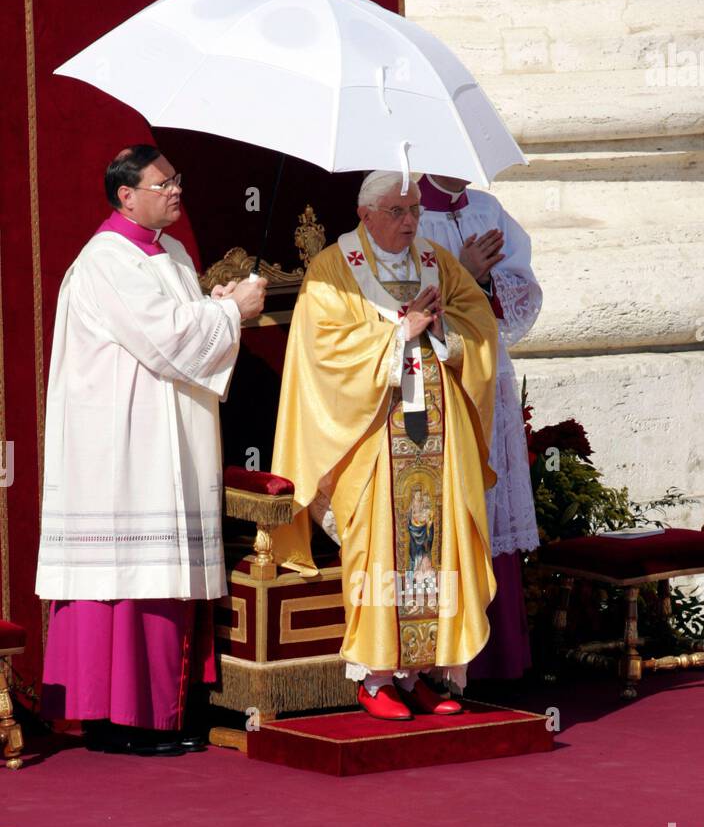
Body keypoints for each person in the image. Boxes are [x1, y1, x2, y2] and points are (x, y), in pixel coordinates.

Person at [35, 145, 267, 755]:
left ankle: (165, 711)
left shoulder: (173, 252)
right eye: (162, 183)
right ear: (125, 196)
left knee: (163, 576)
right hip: (122, 441)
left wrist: (216, 308)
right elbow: (165, 337)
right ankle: (117, 722)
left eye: (176, 180)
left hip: (168, 432)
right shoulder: (105, 261)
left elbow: (181, 327)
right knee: (124, 578)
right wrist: (231, 314)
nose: (175, 191)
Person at [270, 170, 499, 721]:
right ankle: (375, 678)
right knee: (381, 549)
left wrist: (442, 330)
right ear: (365, 213)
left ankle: (421, 671)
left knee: (431, 545)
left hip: (434, 435)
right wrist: (401, 331)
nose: (410, 222)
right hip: (370, 437)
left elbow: (479, 326)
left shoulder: (435, 262)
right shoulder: (333, 267)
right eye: (397, 211)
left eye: (415, 210)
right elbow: (323, 350)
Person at [418, 173, 542, 679]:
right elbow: (407, 300)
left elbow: (522, 298)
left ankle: (499, 659)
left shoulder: (489, 210)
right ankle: (443, 661)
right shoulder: (409, 217)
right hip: (437, 374)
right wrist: (463, 272)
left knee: (491, 506)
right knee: (450, 505)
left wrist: (488, 281)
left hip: (492, 370)